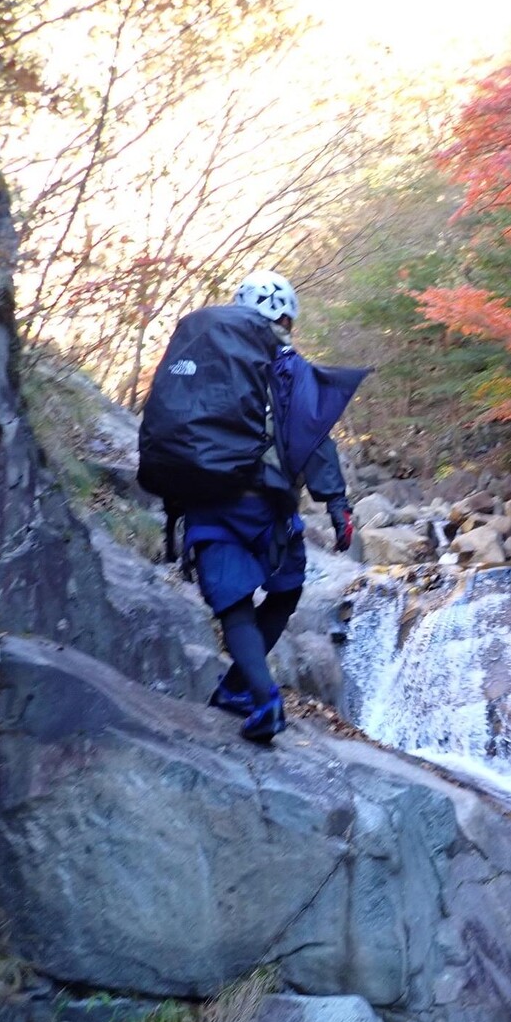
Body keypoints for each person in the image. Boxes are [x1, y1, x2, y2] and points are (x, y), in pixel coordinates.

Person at [142, 270, 364, 743]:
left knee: (235, 605)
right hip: (265, 505)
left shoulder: (202, 348)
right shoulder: (285, 363)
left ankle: (242, 690)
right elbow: (313, 438)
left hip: (204, 501)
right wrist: (337, 504)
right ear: (287, 317)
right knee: (284, 592)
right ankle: (261, 697)